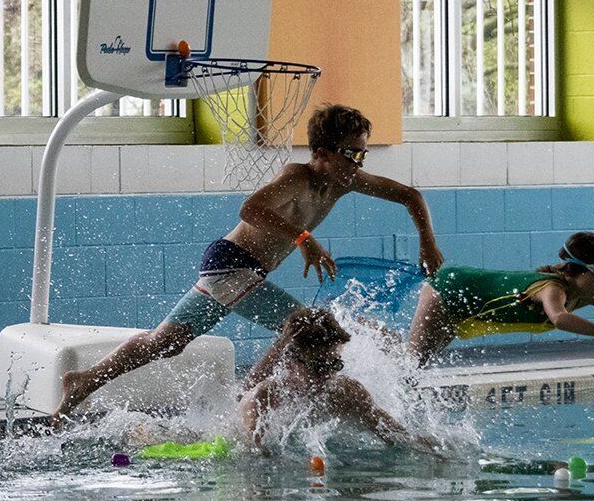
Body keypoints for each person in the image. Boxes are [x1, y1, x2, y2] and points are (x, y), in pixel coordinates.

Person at [54, 104, 445, 419]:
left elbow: (410, 195)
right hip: (231, 263)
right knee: (304, 327)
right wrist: (303, 238)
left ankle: (85, 380)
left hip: (233, 270)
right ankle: (248, 397)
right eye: (350, 154)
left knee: (166, 342)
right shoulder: (297, 177)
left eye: (362, 154)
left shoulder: (346, 181)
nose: (357, 163)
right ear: (321, 154)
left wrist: (427, 243)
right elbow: (250, 208)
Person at [407, 231, 594, 366]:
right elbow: (560, 318)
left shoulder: (586, 292)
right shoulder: (552, 289)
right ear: (578, 269)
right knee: (413, 362)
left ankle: (381, 344)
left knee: (418, 357)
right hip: (450, 290)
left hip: (467, 305)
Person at [239, 308, 428, 450]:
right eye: (317, 366)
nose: (328, 375)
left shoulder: (347, 392)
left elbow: (398, 435)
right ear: (290, 362)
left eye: (335, 364)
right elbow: (251, 454)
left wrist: (432, 450)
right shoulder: (263, 399)